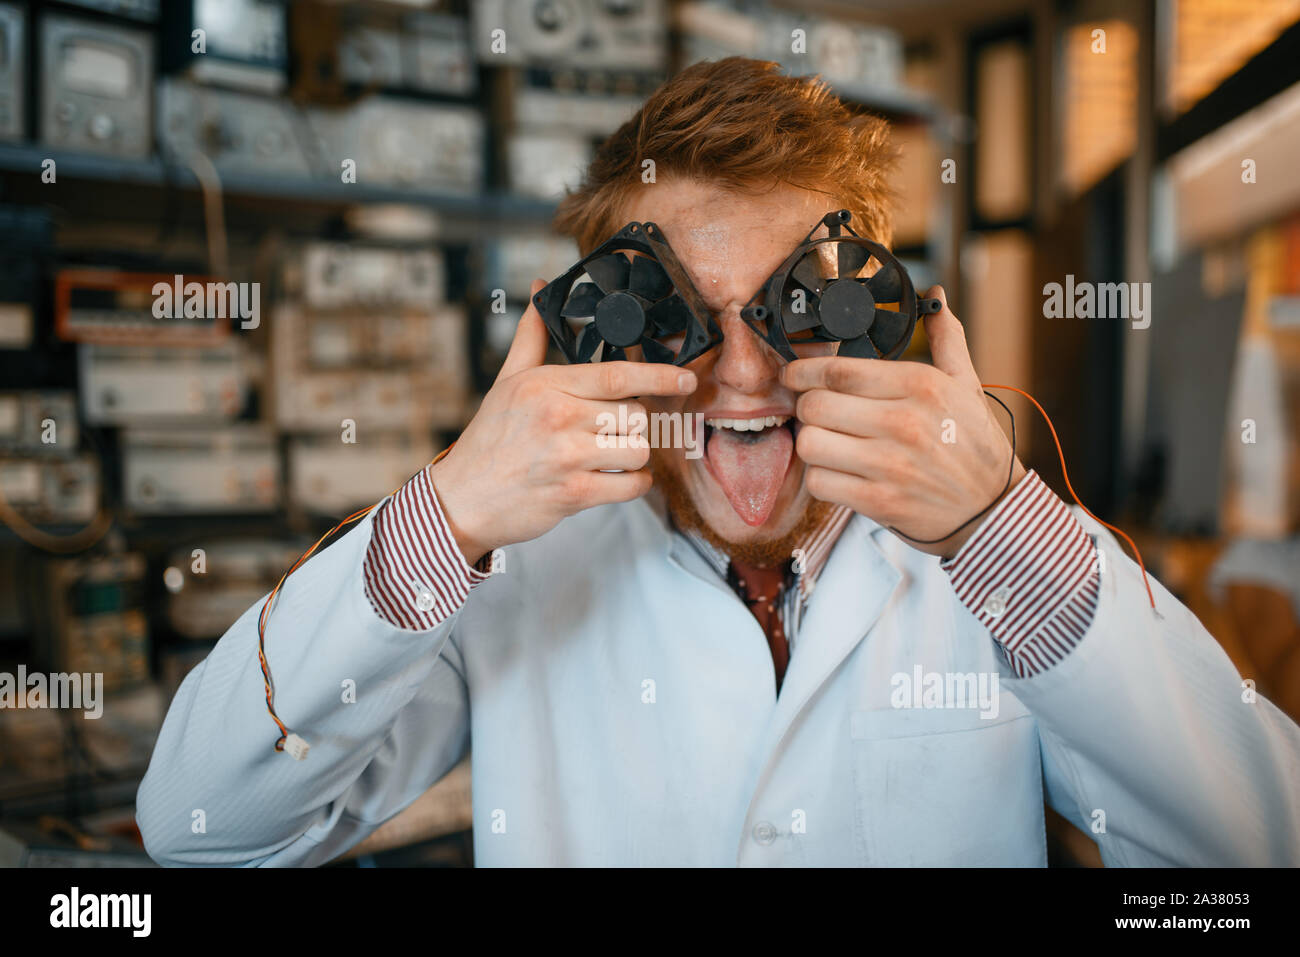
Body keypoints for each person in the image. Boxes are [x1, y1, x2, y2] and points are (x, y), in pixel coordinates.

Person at [136, 58, 1300, 866]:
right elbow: (201, 829)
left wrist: (1000, 527)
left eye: (795, 307)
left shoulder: (991, 577)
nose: (740, 377)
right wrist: (443, 519)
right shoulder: (515, 579)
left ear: (876, 313)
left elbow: (1259, 848)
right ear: (591, 331)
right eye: (678, 317)